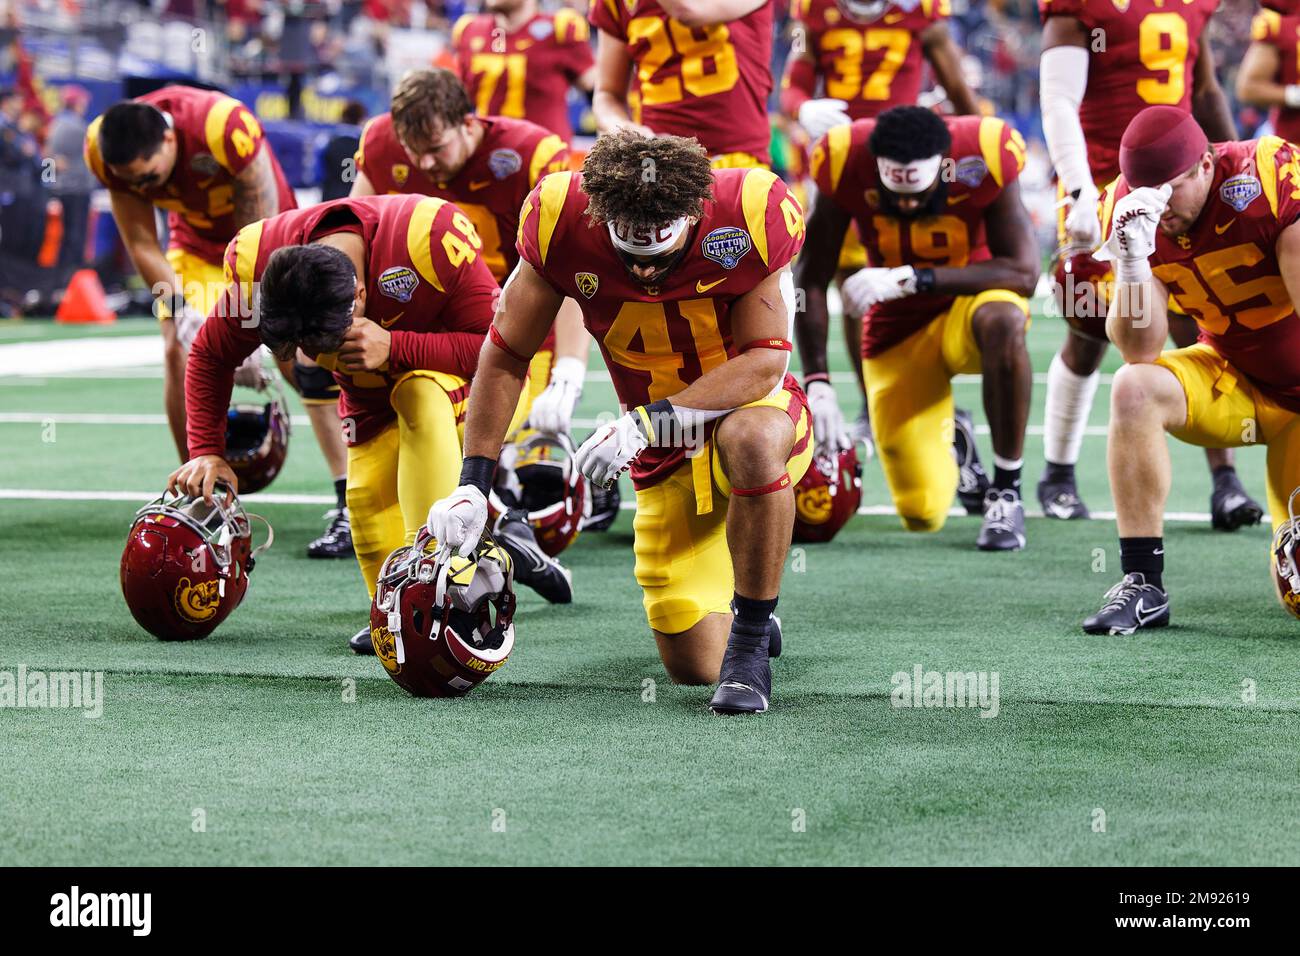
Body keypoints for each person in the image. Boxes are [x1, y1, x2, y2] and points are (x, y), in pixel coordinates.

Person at [426, 131, 812, 715]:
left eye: (658, 253)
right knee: (690, 666)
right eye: (628, 251)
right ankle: (737, 611)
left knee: (750, 439)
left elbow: (764, 363)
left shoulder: (749, 212)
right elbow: (506, 353)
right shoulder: (560, 220)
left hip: (750, 412)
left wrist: (647, 423)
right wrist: (473, 483)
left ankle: (753, 642)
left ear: (693, 214)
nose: (642, 269)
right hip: (663, 455)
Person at [168, 194, 494, 650]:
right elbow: (210, 353)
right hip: (369, 394)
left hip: (467, 391)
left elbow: (499, 349)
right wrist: (207, 450)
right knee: (365, 503)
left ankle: (440, 588)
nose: (308, 356)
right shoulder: (258, 267)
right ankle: (407, 605)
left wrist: (398, 347)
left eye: (323, 343)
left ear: (360, 297)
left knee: (417, 394)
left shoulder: (427, 238)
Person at [86, 86, 355, 558]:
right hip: (194, 250)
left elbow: (259, 231)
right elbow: (142, 241)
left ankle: (349, 494)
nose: (146, 190)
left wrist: (250, 329)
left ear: (170, 142)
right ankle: (200, 486)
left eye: (150, 178)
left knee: (302, 359)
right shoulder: (102, 147)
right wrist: (179, 307)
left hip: (267, 239)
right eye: (136, 183)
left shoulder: (222, 125)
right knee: (178, 348)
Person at [1037, 0, 1262, 529]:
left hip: (1182, 181)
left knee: (1201, 308)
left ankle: (1225, 480)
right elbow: (1058, 102)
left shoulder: (1191, 6)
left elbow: (1204, 91)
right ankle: (1058, 472)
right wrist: (1078, 192)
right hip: (1099, 186)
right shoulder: (1080, 8)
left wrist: (1236, 165)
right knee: (1091, 321)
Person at [1083, 107, 1300, 633]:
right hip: (1234, 377)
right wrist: (1133, 262)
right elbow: (1139, 348)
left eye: (1170, 188)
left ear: (1205, 164)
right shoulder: (1125, 208)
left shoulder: (1269, 178)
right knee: (1134, 388)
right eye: (1144, 190)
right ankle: (1142, 584)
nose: (1158, 204)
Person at [795, 106, 1038, 550]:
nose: (906, 204)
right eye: (896, 193)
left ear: (943, 166)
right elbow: (809, 278)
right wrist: (818, 383)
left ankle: (1006, 489)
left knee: (1005, 318)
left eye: (917, 192)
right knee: (922, 512)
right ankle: (954, 435)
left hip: (971, 307)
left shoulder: (984, 151)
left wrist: (912, 277)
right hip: (898, 328)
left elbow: (1024, 273)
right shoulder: (845, 158)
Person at [780, 0, 983, 466]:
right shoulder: (814, 13)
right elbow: (792, 88)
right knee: (851, 284)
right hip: (847, 165)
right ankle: (876, 403)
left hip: (907, 168)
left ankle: (930, 402)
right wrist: (804, 107)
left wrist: (976, 145)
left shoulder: (922, 13)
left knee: (906, 281)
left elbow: (957, 88)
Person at [451, 0, 596, 144]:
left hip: (546, 157)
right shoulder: (468, 30)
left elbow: (596, 89)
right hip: (488, 155)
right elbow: (458, 100)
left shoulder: (560, 28)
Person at [47, 86, 93, 272]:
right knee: (75, 234)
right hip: (75, 189)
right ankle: (73, 274)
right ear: (76, 104)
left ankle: (65, 274)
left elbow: (48, 157)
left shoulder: (57, 123)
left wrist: (49, 185)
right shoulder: (75, 126)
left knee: (69, 234)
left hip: (65, 187)